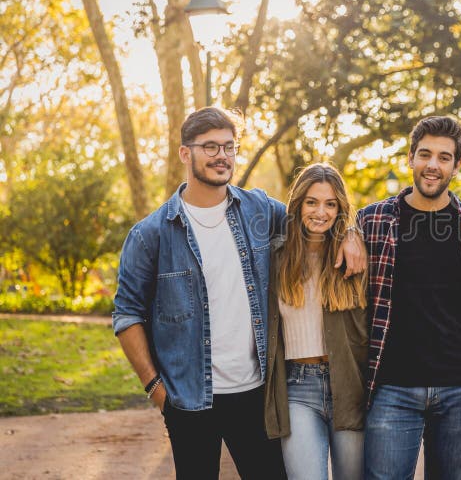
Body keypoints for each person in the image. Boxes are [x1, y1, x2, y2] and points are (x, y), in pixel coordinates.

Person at [112, 107, 364, 479]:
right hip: (189, 399)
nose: (222, 156)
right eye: (210, 146)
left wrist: (352, 231)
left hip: (255, 394)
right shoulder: (152, 233)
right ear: (186, 153)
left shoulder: (259, 210)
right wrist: (156, 390)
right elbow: (127, 314)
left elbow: (318, 215)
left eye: (229, 147)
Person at [357, 116, 461, 480]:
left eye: (444, 157)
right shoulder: (371, 221)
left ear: (456, 166)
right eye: (425, 154)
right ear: (410, 158)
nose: (433, 165)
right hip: (392, 386)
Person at [264, 163, 368, 480]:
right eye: (312, 202)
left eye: (330, 203)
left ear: (340, 209)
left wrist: (354, 232)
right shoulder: (275, 258)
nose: (320, 212)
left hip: (350, 386)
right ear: (298, 205)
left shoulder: (354, 255)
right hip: (297, 388)